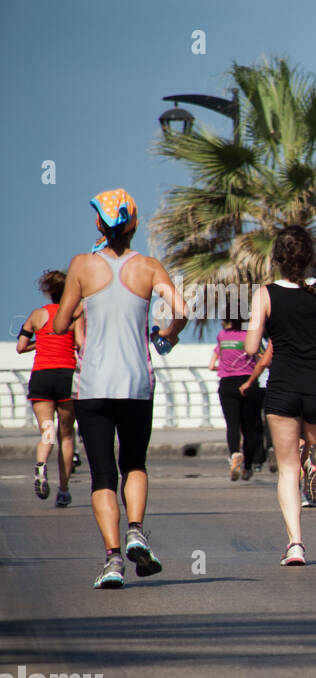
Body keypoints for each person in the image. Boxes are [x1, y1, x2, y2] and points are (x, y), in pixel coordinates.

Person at [50, 189, 187, 587]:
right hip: (137, 384)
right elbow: (182, 309)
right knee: (135, 463)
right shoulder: (148, 267)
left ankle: (112, 560)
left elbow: (59, 325)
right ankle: (137, 531)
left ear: (98, 225)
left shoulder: (81, 265)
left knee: (102, 476)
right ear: (134, 224)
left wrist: (83, 302)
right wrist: (168, 336)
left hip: (92, 386)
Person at [244, 225, 316, 565]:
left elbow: (250, 346)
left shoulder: (265, 294)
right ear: (310, 257)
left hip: (283, 387)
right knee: (315, 450)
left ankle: (295, 544)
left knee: (288, 468)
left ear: (276, 258)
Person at [17, 270, 78, 507]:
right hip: (66, 376)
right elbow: (82, 343)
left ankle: (41, 465)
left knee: (47, 431)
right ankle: (63, 490)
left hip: (41, 377)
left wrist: (39, 342)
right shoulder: (73, 315)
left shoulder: (37, 315)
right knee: (66, 434)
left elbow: (21, 347)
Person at [208, 316, 264, 481]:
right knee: (249, 428)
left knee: (232, 425)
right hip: (248, 383)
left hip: (227, 384)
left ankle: (234, 455)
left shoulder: (222, 336)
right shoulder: (251, 336)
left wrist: (226, 368)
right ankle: (247, 468)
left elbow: (211, 365)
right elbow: (261, 361)